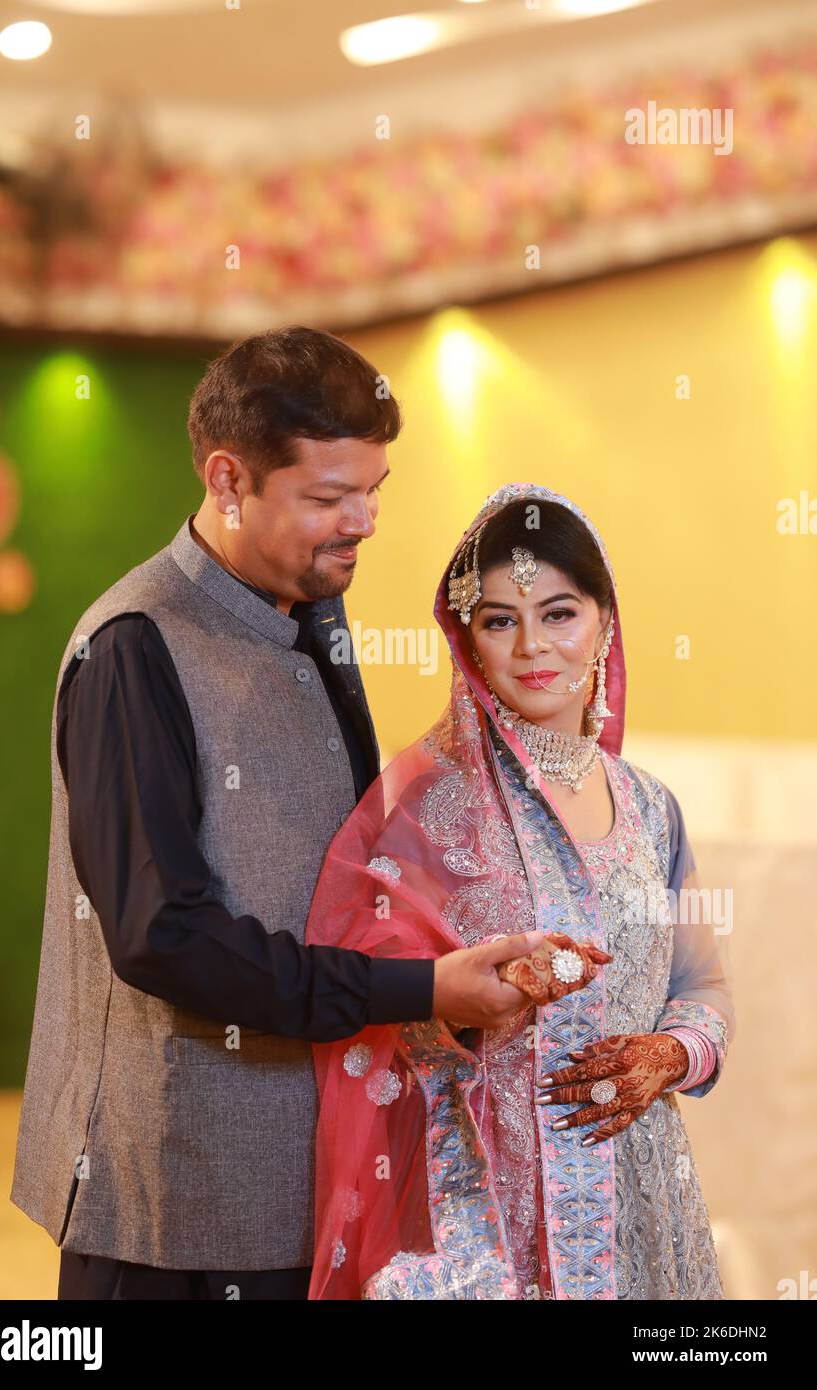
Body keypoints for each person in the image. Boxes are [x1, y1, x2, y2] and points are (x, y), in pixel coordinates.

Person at [9, 329, 540, 1301]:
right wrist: (418, 989)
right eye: (330, 497)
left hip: (311, 1177)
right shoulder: (133, 647)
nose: (364, 521)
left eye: (373, 489)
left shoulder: (310, 613)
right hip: (174, 1200)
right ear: (227, 480)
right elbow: (163, 937)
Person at [306, 481, 735, 1300]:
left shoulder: (651, 808)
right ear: (469, 640)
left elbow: (701, 986)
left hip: (640, 1189)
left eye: (559, 613)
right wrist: (463, 1006)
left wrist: (671, 1054)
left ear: (604, 622)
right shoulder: (427, 806)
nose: (534, 647)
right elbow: (359, 993)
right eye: (500, 620)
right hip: (491, 1202)